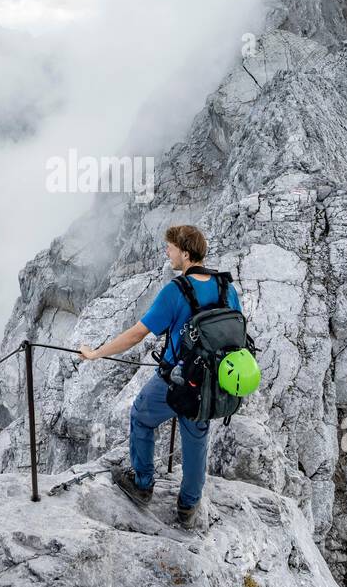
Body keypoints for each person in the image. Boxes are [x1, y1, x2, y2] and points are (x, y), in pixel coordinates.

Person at [78, 224, 240, 528]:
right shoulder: (226, 288)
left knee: (141, 414)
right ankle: (188, 507)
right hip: (211, 382)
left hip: (177, 380)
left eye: (171, 247)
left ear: (186, 254)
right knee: (197, 435)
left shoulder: (176, 291)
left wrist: (97, 353)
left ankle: (142, 484)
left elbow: (137, 334)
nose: (167, 251)